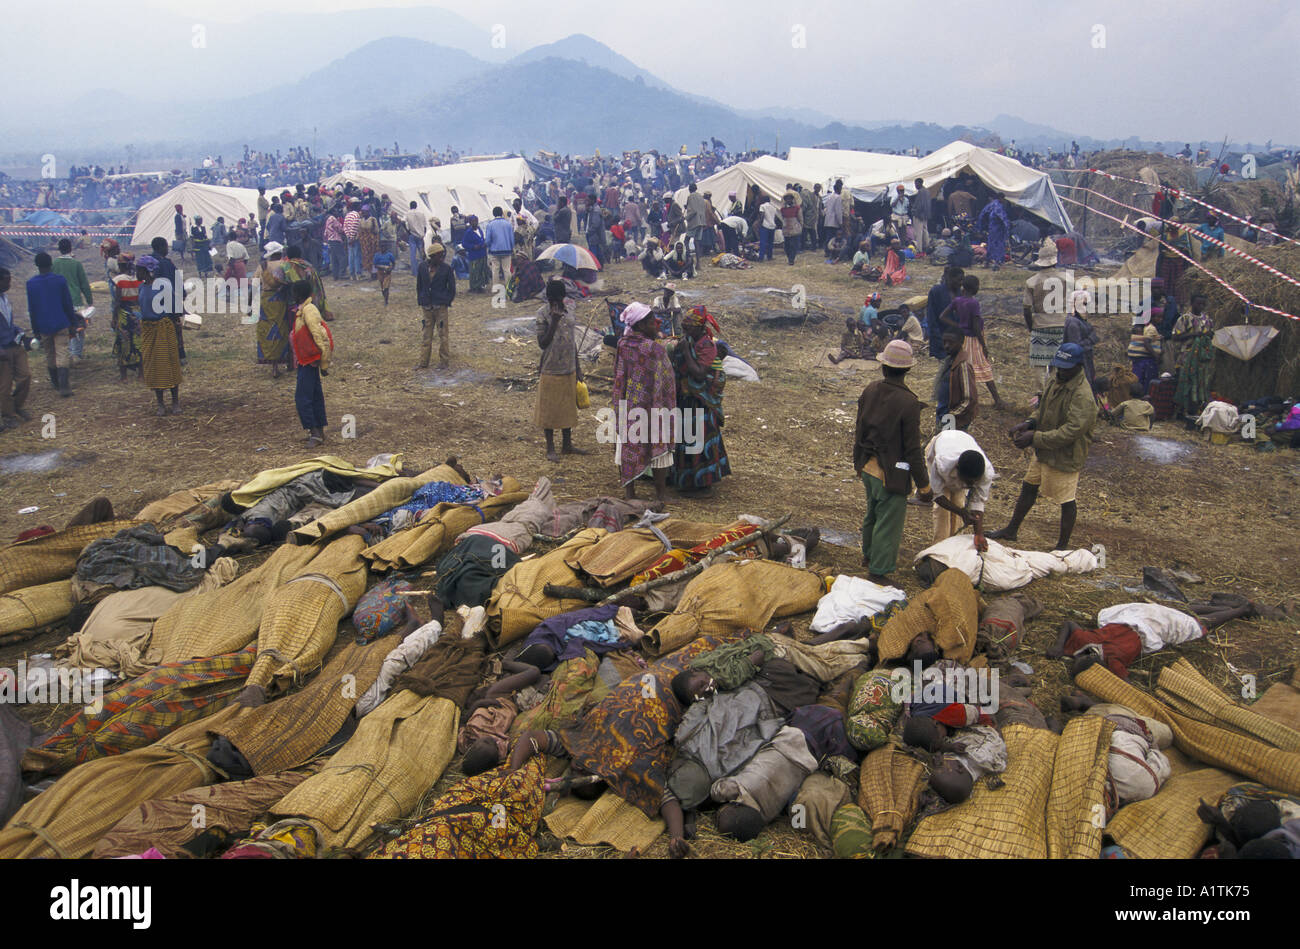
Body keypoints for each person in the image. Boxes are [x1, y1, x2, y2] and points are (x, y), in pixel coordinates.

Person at [989, 342, 1098, 550]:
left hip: (1065, 454)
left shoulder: (1083, 396)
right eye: (1059, 366)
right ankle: (1011, 530)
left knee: (1066, 501)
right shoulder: (1056, 380)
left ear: (1078, 366)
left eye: (1066, 368)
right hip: (1045, 449)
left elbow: (1071, 431)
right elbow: (1042, 409)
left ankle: (1061, 547)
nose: (1061, 371)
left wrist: (1034, 437)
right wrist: (1028, 423)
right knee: (1028, 486)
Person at [853, 340, 932, 582]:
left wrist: (858, 462)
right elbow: (912, 450)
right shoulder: (908, 403)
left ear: (883, 367)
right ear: (908, 369)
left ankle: (868, 554)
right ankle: (879, 571)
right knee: (888, 524)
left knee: (873, 514)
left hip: (867, 466)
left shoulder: (870, 389)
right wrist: (924, 486)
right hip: (891, 474)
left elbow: (860, 429)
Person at [611, 302, 676, 501]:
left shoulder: (623, 344)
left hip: (630, 404)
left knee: (628, 445)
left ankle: (630, 493)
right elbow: (667, 380)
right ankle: (660, 494)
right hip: (654, 405)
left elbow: (619, 376)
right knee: (658, 446)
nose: (655, 325)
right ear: (639, 325)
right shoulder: (655, 349)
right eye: (650, 322)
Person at [670, 307, 731, 495]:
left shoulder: (706, 345)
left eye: (688, 329)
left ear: (700, 328)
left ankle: (702, 482)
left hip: (701, 401)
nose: (685, 333)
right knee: (686, 438)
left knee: (699, 439)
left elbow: (699, 374)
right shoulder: (691, 340)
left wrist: (687, 351)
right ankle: (687, 479)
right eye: (684, 329)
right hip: (688, 398)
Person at [535, 278, 584, 462]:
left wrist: (578, 367)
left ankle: (567, 445)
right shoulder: (542, 314)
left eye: (557, 299)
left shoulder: (570, 310)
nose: (554, 303)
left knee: (567, 408)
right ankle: (550, 447)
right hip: (550, 368)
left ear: (563, 297)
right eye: (550, 300)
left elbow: (572, 341)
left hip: (569, 366)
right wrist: (554, 322)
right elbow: (542, 343)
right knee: (549, 410)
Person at [940, 274, 1003, 409]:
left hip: (962, 339)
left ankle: (961, 398)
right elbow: (975, 326)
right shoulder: (973, 303)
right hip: (973, 340)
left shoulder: (958, 300)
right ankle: (998, 401)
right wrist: (983, 345)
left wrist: (958, 326)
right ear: (975, 288)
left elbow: (943, 316)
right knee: (984, 369)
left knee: (963, 368)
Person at [925, 430, 994, 549]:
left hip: (962, 440)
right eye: (967, 481)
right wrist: (961, 512)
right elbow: (938, 495)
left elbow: (978, 502)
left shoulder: (986, 473)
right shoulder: (942, 462)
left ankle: (954, 547)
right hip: (941, 442)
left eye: (974, 482)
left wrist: (978, 533)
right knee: (942, 512)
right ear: (958, 469)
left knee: (958, 502)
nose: (970, 485)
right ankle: (940, 548)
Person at [25, 252, 78, 397]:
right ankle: (64, 386)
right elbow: (67, 303)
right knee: (62, 353)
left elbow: (32, 309)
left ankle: (55, 382)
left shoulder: (31, 284)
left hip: (43, 324)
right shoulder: (60, 280)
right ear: (51, 264)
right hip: (60, 322)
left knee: (49, 354)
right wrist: (73, 321)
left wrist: (35, 329)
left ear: (37, 265)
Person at [134, 256, 182, 415]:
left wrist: (178, 321)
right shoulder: (141, 287)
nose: (136, 272)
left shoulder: (163, 286)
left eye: (138, 269)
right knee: (152, 365)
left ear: (147, 270)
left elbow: (174, 306)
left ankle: (175, 401)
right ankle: (160, 403)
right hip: (148, 329)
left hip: (163, 328)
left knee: (168, 363)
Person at [290, 279, 331, 447]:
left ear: (299, 294)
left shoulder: (309, 310)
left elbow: (319, 335)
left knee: (302, 398)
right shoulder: (305, 309)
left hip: (310, 360)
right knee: (314, 396)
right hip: (306, 359)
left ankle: (314, 432)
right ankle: (319, 432)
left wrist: (324, 361)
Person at [1171, 293, 1214, 420]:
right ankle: (1180, 412)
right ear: (1192, 303)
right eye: (1198, 303)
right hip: (1186, 356)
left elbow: (1211, 336)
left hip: (1201, 359)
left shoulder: (1207, 320)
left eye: (1203, 304)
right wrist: (1194, 335)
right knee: (1185, 383)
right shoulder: (1184, 319)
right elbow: (1175, 336)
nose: (1200, 306)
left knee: (1199, 384)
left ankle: (1193, 411)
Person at [0, 268, 33, 428]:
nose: (9, 283)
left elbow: (9, 325)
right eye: (6, 280)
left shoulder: (5, 299)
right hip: (2, 350)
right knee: (5, 385)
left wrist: (21, 334)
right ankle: (8, 416)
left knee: (25, 376)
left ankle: (16, 406)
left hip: (13, 345)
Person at [415, 243, 455, 369]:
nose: (442, 257)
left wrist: (446, 301)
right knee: (426, 335)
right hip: (427, 306)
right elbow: (419, 286)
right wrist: (422, 300)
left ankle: (444, 362)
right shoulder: (422, 267)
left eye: (442, 255)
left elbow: (452, 289)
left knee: (443, 335)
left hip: (440, 307)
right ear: (431, 256)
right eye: (439, 255)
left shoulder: (446, 269)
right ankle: (423, 362)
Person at [149, 238, 186, 365]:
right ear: (160, 247)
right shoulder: (165, 263)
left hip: (152, 302)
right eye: (166, 246)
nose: (167, 249)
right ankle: (179, 356)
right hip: (168, 300)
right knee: (174, 328)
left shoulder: (147, 262)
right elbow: (176, 280)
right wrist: (182, 294)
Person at [933, 328, 978, 429]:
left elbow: (969, 399)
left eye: (951, 342)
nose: (947, 346)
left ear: (961, 341)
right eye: (944, 342)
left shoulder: (963, 365)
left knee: (950, 443)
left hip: (953, 420)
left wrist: (950, 417)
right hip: (944, 414)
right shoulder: (949, 361)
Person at [1062, 289, 1099, 387]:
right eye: (1084, 304)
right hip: (1079, 364)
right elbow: (1075, 347)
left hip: (1085, 360)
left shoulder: (1079, 320)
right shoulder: (1073, 323)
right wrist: (1091, 339)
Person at [926, 266, 962, 359]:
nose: (961, 283)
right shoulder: (936, 291)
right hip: (940, 337)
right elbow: (931, 317)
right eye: (958, 280)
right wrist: (937, 337)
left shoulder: (960, 293)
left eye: (962, 280)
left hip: (956, 340)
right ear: (949, 278)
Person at [1127, 311, 1162, 395]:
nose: (1161, 319)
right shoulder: (1151, 328)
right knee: (1147, 382)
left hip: (1139, 361)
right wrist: (1156, 355)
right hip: (1146, 361)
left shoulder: (1146, 328)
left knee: (1139, 379)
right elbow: (1146, 343)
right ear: (1151, 318)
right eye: (1158, 317)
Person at [977, 193, 1010, 270]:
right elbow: (1002, 216)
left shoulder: (990, 205)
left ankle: (987, 262)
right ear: (1001, 198)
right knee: (999, 245)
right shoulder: (998, 205)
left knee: (990, 245)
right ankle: (997, 262)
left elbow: (982, 214)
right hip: (998, 229)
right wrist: (1008, 225)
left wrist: (981, 227)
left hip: (991, 227)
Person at [485, 206, 515, 286]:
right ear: (502, 213)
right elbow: (512, 238)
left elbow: (487, 240)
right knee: (507, 270)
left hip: (494, 251)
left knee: (495, 270)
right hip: (506, 250)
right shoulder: (508, 224)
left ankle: (496, 288)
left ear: (493, 214)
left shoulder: (490, 225)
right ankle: (509, 286)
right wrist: (512, 247)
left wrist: (489, 247)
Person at [462, 215, 489, 292]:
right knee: (475, 271)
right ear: (470, 223)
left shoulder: (479, 230)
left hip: (482, 253)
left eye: (476, 221)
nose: (475, 223)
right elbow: (464, 243)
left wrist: (484, 243)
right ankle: (474, 286)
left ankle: (480, 285)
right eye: (473, 221)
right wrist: (473, 247)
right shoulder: (468, 232)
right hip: (474, 255)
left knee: (481, 270)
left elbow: (482, 239)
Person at [404, 200, 427, 273]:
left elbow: (402, 221)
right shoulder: (421, 213)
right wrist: (424, 233)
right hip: (420, 235)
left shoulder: (407, 213)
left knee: (413, 254)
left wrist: (407, 231)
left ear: (410, 206)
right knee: (422, 252)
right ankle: (424, 269)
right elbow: (425, 225)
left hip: (412, 234)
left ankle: (414, 271)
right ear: (416, 206)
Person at [780, 191, 802, 265]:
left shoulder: (797, 208)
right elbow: (782, 217)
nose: (788, 200)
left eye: (790, 199)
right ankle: (789, 257)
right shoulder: (783, 209)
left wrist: (800, 225)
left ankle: (791, 259)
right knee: (787, 245)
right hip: (786, 227)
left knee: (793, 244)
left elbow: (800, 218)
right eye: (787, 199)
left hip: (794, 226)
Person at [910, 178, 931, 254]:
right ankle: (926, 246)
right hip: (925, 214)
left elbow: (920, 205)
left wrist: (914, 211)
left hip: (919, 215)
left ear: (920, 183)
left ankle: (919, 249)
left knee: (918, 233)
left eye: (916, 184)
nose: (915, 185)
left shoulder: (921, 192)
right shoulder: (927, 191)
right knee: (925, 231)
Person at [822, 179, 844, 247]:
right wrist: (840, 222)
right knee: (832, 238)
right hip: (834, 221)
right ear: (839, 188)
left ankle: (827, 250)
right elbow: (838, 211)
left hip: (828, 220)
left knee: (828, 237)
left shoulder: (830, 197)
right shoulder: (838, 197)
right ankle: (829, 250)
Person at [757, 193, 778, 261]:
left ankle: (761, 257)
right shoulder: (773, 207)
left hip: (765, 225)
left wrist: (759, 224)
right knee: (770, 242)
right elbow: (775, 218)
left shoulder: (762, 206)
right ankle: (769, 256)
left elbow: (762, 216)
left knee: (763, 242)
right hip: (772, 225)